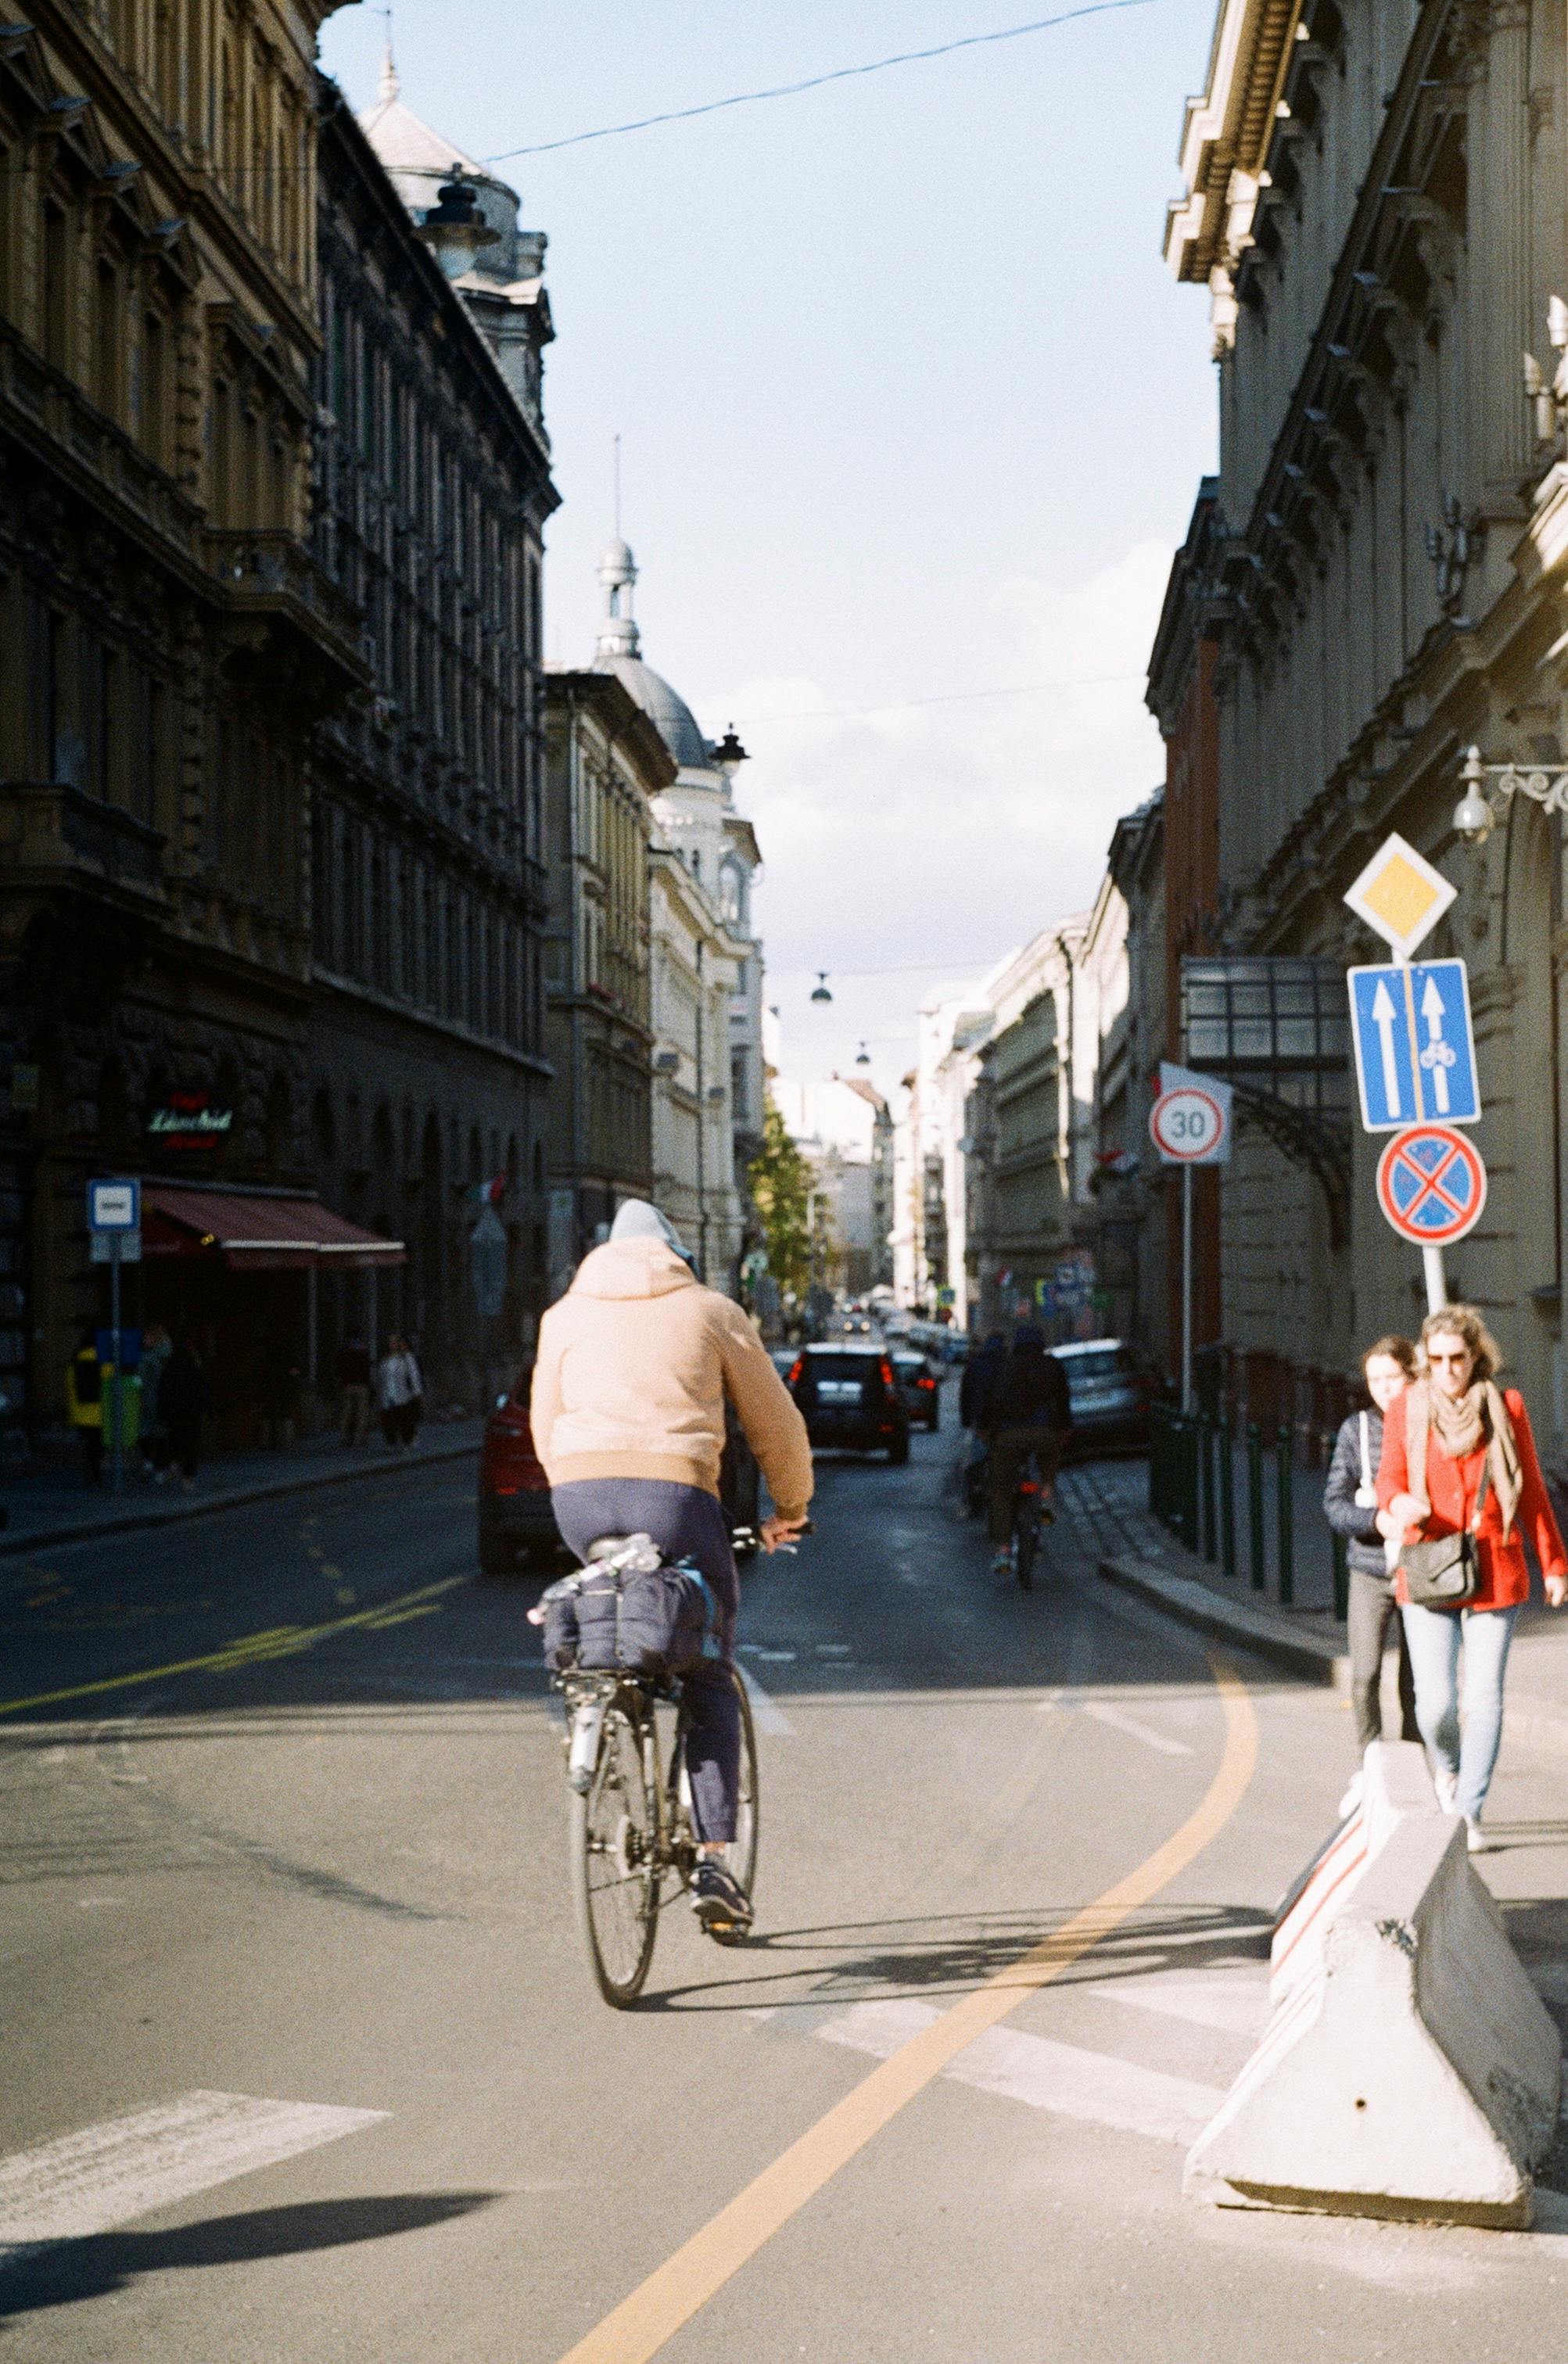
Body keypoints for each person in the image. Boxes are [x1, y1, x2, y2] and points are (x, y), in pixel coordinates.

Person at [530, 1198, 813, 1939]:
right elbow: (773, 1422)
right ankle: (715, 1857)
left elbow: (542, 1423)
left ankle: (603, 1716)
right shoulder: (709, 1308)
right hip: (676, 1496)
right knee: (708, 1667)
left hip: (578, 1498)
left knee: (613, 1609)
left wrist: (578, 1485)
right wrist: (791, 1505)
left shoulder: (562, 1315)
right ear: (676, 1252)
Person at [1378, 1304, 1568, 1852]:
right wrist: (1398, 1501)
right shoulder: (1406, 1409)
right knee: (1434, 1702)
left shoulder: (1504, 1405)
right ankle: (1448, 1768)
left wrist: (1553, 1562)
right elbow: (1389, 1474)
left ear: (1474, 1355)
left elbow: (1529, 1485)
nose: (1447, 1369)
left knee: (1483, 1698)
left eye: (1456, 1358)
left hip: (1495, 1566)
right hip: (1429, 1562)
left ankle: (1468, 1811)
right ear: (1424, 1361)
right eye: (1435, 1359)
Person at [1322, 1334, 1420, 1816]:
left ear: (1412, 1376)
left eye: (1393, 1377)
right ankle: (1370, 1769)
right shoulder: (1357, 1430)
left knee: (1415, 1680)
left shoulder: (1426, 1424)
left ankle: (1415, 1768)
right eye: (1375, 1379)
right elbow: (1334, 1504)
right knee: (1364, 1675)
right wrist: (1373, 1522)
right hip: (1369, 1570)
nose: (1383, 1388)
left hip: (1422, 1570)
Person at [980, 1323, 1072, 1575]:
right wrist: (1064, 1430)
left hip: (1008, 1437)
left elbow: (989, 1402)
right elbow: (1063, 1402)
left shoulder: (1003, 1368)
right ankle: (1045, 1496)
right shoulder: (1052, 1366)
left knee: (1001, 1490)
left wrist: (985, 1431)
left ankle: (1002, 1551)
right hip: (1044, 1434)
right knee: (1051, 1455)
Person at [158, 1336, 207, 1491]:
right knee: (192, 1445)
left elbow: (163, 1390)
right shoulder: (195, 1366)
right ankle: (188, 1478)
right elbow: (202, 1390)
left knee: (174, 1440)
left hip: (174, 1412)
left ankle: (173, 1464)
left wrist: (163, 1410)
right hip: (192, 1412)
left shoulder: (170, 1367)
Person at [65, 1326, 104, 1487]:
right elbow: (110, 1380)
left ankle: (89, 1472)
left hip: (81, 1411)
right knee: (97, 1444)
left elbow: (69, 1384)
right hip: (98, 1411)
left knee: (87, 1443)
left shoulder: (76, 1359)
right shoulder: (102, 1359)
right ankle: (96, 1473)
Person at [138, 1324, 172, 1483]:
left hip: (154, 1402)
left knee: (155, 1436)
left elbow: (143, 1380)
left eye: (147, 1337)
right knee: (156, 1435)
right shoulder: (164, 1356)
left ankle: (156, 1466)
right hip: (157, 1402)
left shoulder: (151, 1358)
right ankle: (159, 1467)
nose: (144, 1340)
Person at [377, 1334, 423, 1449]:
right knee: (388, 1420)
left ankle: (407, 1441)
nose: (391, 1345)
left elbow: (414, 1375)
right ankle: (391, 1442)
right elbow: (380, 1378)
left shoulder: (406, 1358)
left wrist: (417, 1391)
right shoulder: (384, 1360)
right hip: (387, 1394)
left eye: (394, 1342)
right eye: (390, 1342)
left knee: (403, 1419)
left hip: (403, 1394)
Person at [337, 1333, 371, 1447]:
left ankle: (344, 1436)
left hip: (348, 1385)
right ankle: (360, 1437)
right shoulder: (364, 1353)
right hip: (361, 1385)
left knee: (346, 1412)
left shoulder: (345, 1352)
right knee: (362, 1413)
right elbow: (367, 1369)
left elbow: (341, 1368)